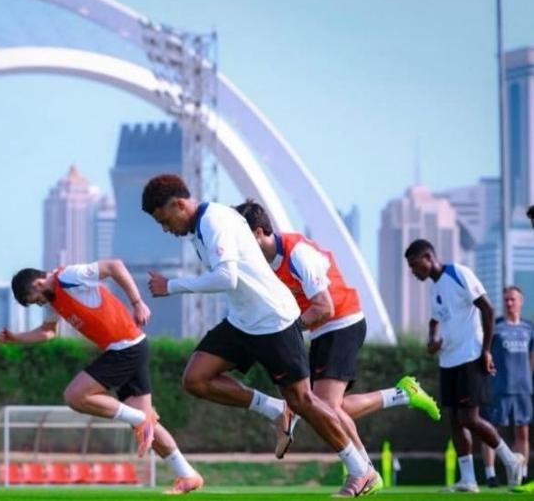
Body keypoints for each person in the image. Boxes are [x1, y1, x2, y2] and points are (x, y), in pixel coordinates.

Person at [141, 174, 381, 497]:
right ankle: (274, 409)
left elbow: (227, 276)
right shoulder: (199, 229)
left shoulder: (215, 221)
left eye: (164, 220)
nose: (165, 229)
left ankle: (360, 470)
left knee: (304, 400)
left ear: (178, 204)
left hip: (274, 320)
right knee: (195, 379)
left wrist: (171, 286)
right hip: (243, 321)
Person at [233, 199, 440, 468]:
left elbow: (325, 308)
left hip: (341, 321)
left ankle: (364, 471)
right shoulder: (265, 264)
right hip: (323, 330)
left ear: (259, 234)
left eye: (241, 238)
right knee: (324, 407)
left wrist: (286, 333)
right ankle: (401, 395)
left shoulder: (297, 253)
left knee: (325, 407)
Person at [2, 259, 203, 495]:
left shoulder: (67, 277)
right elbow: (48, 332)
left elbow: (114, 266)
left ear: (37, 283)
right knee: (148, 428)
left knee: (75, 396)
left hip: (126, 348)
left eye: (35, 299)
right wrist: (16, 338)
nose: (39, 303)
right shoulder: (53, 301)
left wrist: (137, 303)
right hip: (127, 348)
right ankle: (188, 474)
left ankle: (140, 418)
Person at [404, 240, 524, 492]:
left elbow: (488, 309)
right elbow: (435, 319)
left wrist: (486, 351)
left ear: (428, 257)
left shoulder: (458, 273)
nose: (414, 273)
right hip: (448, 359)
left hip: (471, 355)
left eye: (415, 266)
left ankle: (511, 459)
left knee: (470, 417)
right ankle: (468, 480)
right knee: (455, 421)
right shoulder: (433, 286)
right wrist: (432, 339)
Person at [482, 286, 534, 487]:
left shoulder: (529, 328)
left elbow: (531, 358)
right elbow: (485, 355)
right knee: (491, 431)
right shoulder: (495, 327)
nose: (509, 303)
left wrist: (526, 378)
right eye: (506, 300)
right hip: (498, 388)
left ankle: (520, 475)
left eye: (513, 299)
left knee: (522, 432)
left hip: (523, 390)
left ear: (521, 301)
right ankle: (490, 475)